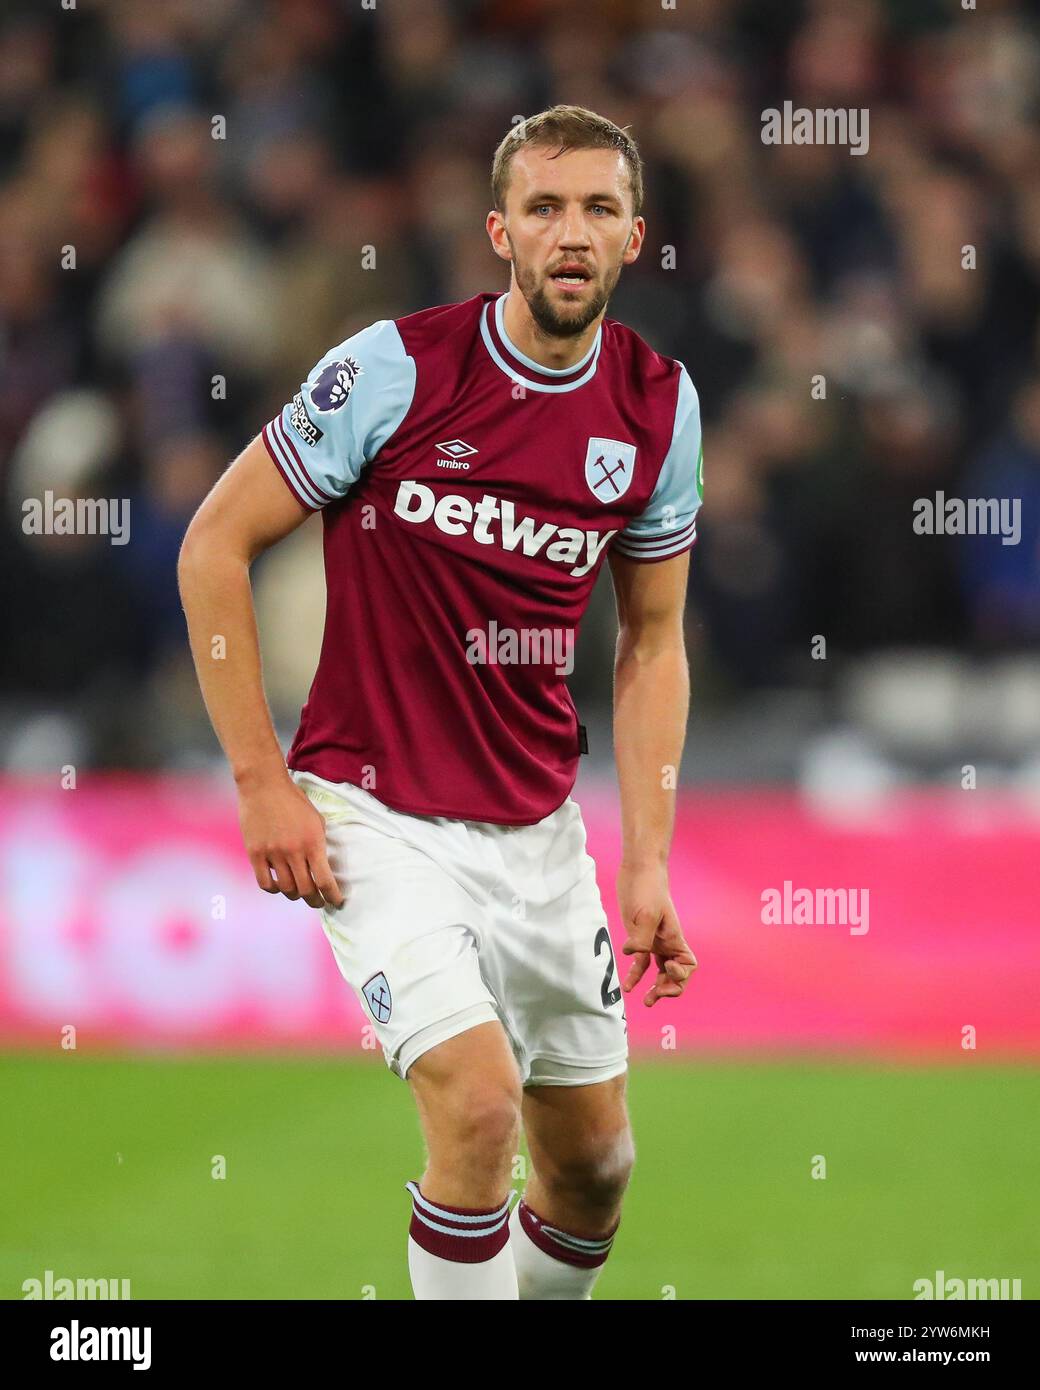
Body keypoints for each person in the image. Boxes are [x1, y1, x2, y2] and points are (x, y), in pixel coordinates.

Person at [178, 104, 701, 1300]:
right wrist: (263, 784)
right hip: (377, 815)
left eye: (597, 210)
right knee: (474, 1111)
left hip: (538, 832)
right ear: (498, 232)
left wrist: (646, 863)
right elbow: (212, 546)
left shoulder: (657, 408)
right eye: (543, 208)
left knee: (595, 1171)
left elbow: (653, 641)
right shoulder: (394, 368)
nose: (570, 233)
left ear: (633, 237)